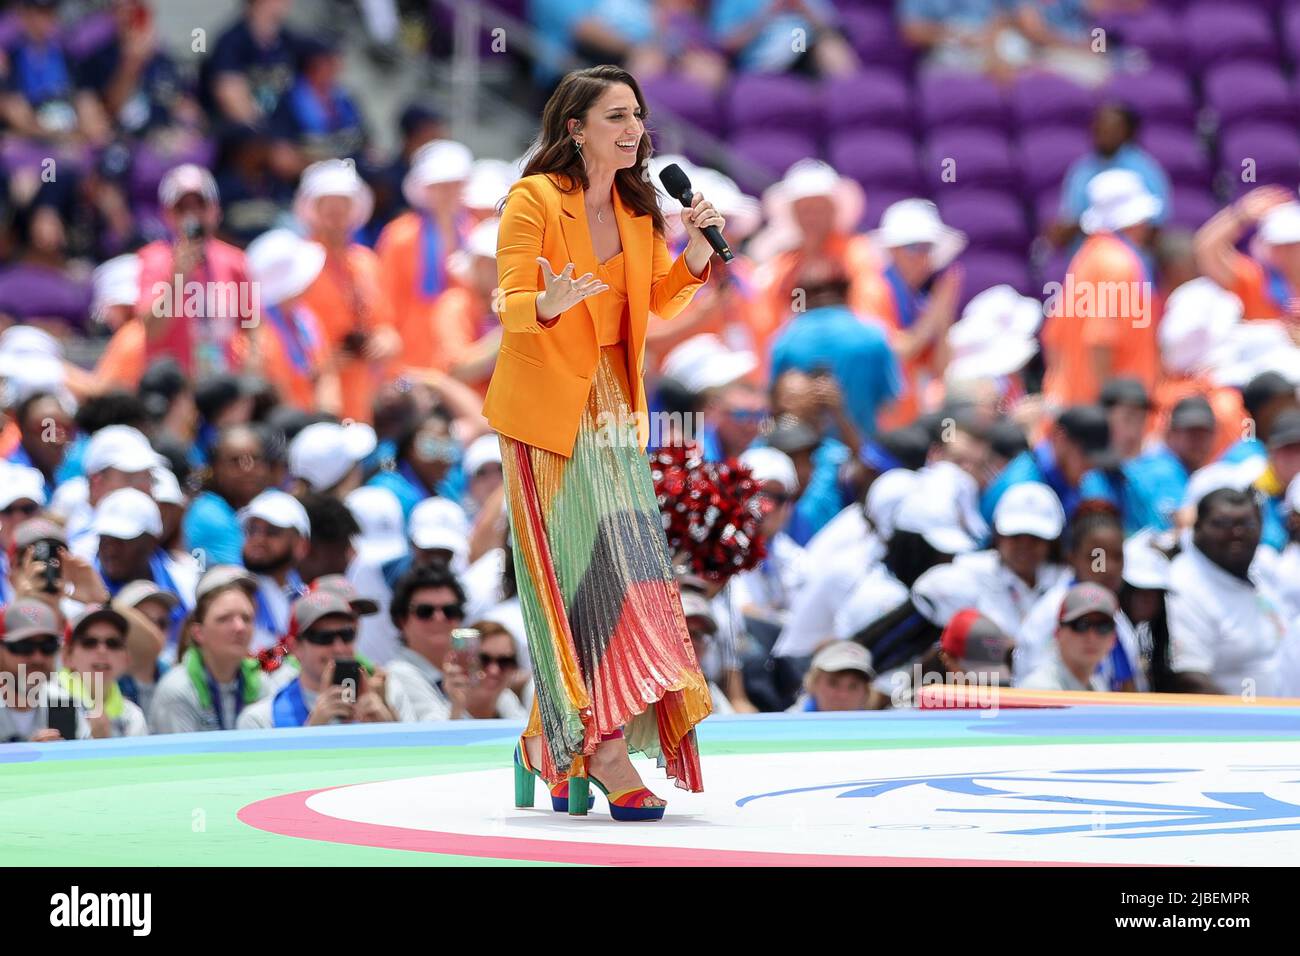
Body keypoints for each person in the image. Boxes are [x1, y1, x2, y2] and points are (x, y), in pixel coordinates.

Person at [491, 65, 721, 818]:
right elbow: (510, 298)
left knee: (619, 578)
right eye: (617, 116)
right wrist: (549, 304)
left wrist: (696, 249)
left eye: (638, 116)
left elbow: (658, 297)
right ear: (575, 127)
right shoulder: (533, 198)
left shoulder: (637, 204)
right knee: (568, 584)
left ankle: (554, 742)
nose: (634, 130)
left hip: (616, 411)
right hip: (543, 416)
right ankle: (598, 748)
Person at [1042, 169, 1162, 408]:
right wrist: (1109, 410)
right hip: (1108, 414)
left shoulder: (1086, 257)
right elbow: (1100, 340)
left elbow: (1053, 337)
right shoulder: (1118, 264)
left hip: (1076, 407)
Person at [295, 159, 401, 424]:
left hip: (366, 390)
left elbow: (386, 323)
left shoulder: (366, 260)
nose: (336, 211)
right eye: (327, 203)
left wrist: (386, 340)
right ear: (312, 208)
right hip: (315, 392)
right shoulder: (298, 261)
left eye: (343, 203)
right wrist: (324, 358)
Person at [1166, 488, 1290, 697]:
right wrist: (1243, 721)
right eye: (1222, 524)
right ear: (1197, 528)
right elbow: (1190, 679)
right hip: (1238, 724)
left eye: (1247, 524)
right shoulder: (1184, 585)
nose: (1237, 533)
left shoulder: (1262, 571)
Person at [853, 199, 966, 429]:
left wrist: (943, 315)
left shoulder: (920, 302)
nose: (922, 257)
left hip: (908, 420)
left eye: (928, 248)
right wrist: (936, 311)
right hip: (878, 423)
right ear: (891, 251)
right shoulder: (872, 288)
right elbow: (895, 350)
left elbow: (940, 368)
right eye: (914, 247)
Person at [769, 259, 902, 441]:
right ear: (846, 291)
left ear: (802, 294)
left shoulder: (785, 339)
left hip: (802, 457)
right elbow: (890, 402)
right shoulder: (872, 335)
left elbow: (774, 405)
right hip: (863, 455)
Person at [237, 591, 396, 729]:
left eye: (347, 634)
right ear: (295, 647)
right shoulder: (260, 719)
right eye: (323, 637)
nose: (338, 648)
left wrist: (388, 728)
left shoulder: (383, 695)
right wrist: (314, 728)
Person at [148, 566, 269, 733]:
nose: (239, 627)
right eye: (224, 618)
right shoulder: (177, 689)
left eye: (247, 618)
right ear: (198, 632)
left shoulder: (262, 683)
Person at [1053, 102, 1171, 245]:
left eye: (1112, 127)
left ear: (1128, 132)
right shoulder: (1082, 171)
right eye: (1100, 126)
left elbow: (1157, 219)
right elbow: (1072, 218)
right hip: (1093, 247)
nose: (1104, 132)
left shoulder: (1145, 168)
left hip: (1138, 248)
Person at [1194, 185, 1300, 326]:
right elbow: (1207, 249)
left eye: (1293, 244)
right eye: (1277, 245)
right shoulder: (1255, 280)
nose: (1285, 251)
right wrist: (1240, 215)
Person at [381, 564, 476, 721]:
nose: (439, 618)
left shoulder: (477, 670)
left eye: (449, 611)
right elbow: (436, 739)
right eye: (425, 611)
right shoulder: (398, 674)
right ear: (401, 621)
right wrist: (457, 707)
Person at [0, 598, 90, 742]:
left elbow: (86, 762)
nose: (38, 658)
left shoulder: (65, 706)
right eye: (24, 646)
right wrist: (28, 759)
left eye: (47, 647)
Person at [182, 424, 271, 566]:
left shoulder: (270, 501)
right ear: (215, 467)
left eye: (255, 458)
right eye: (235, 460)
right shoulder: (208, 513)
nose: (248, 468)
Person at [59, 604, 149, 737]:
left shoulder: (133, 717)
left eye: (113, 643)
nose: (102, 650)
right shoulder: (43, 702)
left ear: (126, 658)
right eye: (89, 642)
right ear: (67, 656)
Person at [239, 489, 310, 652]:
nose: (258, 539)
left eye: (272, 532)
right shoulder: (229, 588)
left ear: (301, 545)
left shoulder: (305, 595)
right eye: (252, 530)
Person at [1019, 582, 1119, 692]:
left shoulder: (1097, 686)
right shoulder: (1040, 689)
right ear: (1058, 633)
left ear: (1113, 638)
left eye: (1103, 627)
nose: (1092, 637)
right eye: (1081, 625)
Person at [786, 641, 875, 713]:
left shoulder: (879, 730)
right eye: (833, 683)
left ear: (866, 693)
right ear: (812, 684)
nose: (843, 695)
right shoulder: (786, 727)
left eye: (853, 686)